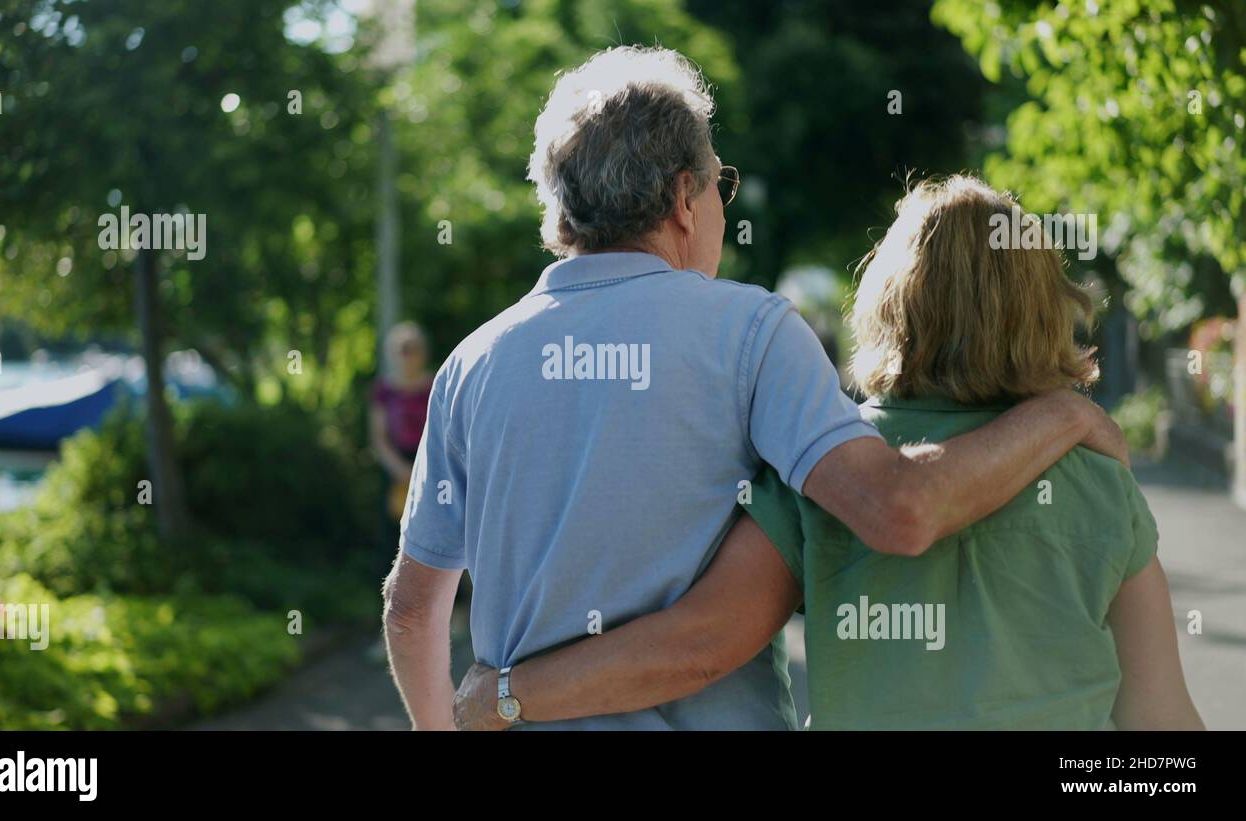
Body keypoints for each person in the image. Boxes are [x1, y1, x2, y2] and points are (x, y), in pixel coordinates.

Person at [382, 46, 1127, 730]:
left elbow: (413, 610)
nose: (722, 207)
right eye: (719, 186)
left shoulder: (470, 366)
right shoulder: (751, 332)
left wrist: (476, 709)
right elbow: (895, 510)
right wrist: (1062, 412)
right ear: (683, 198)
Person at [451, 176, 1203, 731]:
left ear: (890, 307)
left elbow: (699, 646)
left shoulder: (830, 467)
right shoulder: (1097, 476)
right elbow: (1162, 723)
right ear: (1045, 308)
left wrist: (506, 694)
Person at [370, 321, 433, 521]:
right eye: (403, 350)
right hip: (396, 469)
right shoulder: (384, 390)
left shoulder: (435, 385)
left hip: (430, 467)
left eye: (413, 349)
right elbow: (379, 438)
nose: (408, 356)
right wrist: (399, 469)